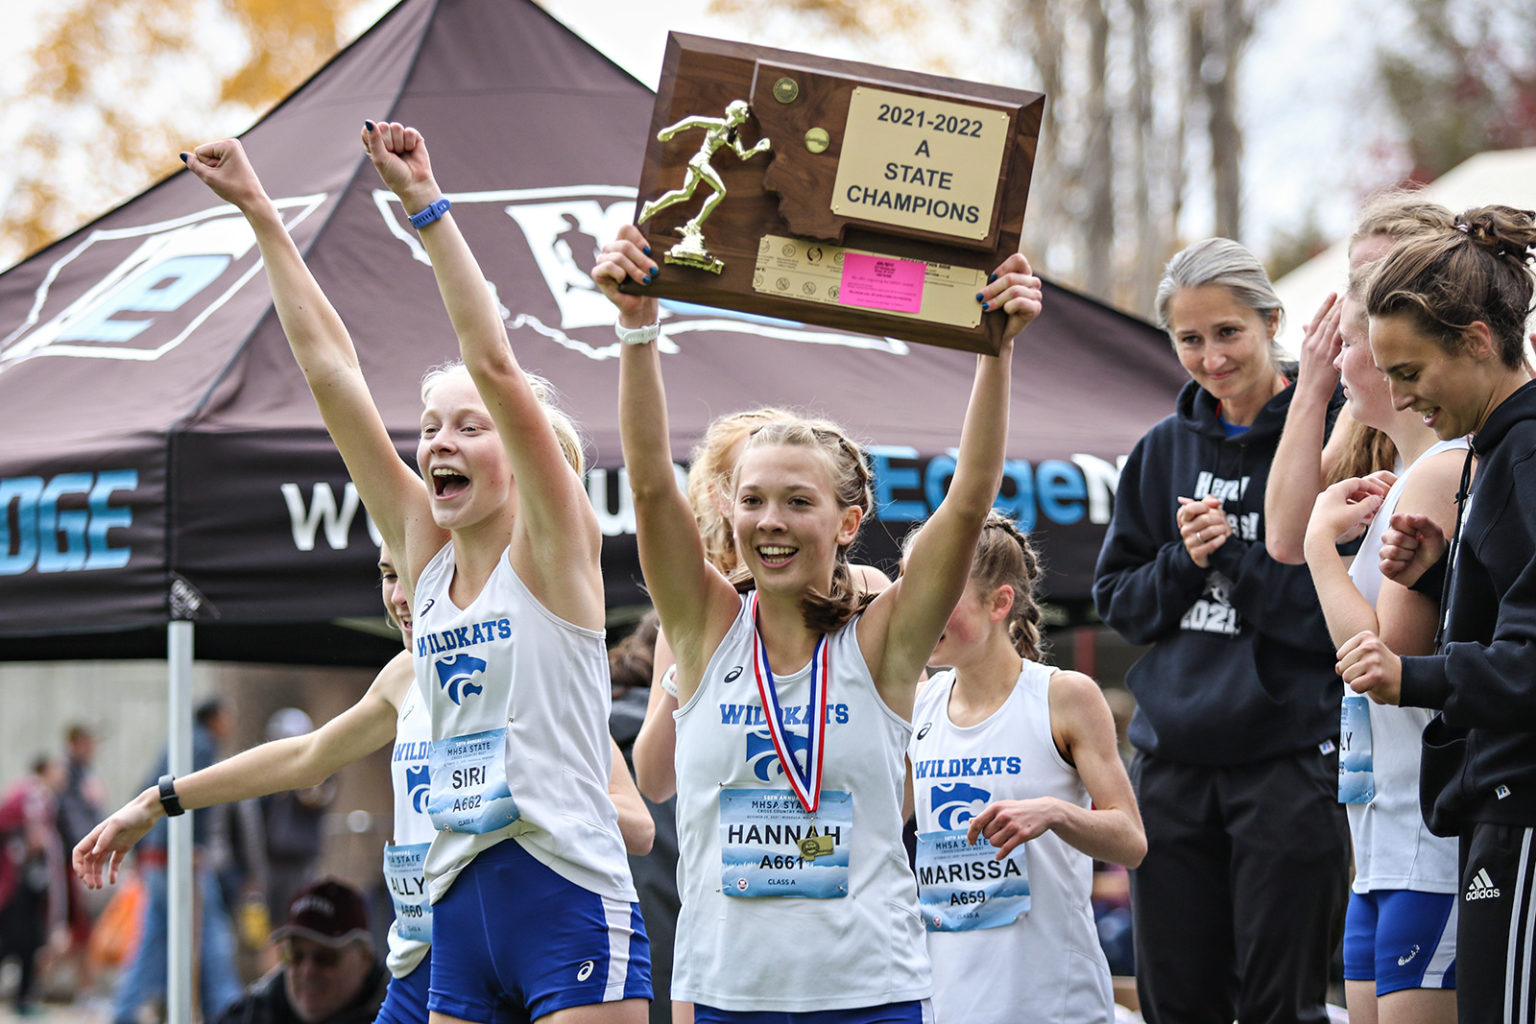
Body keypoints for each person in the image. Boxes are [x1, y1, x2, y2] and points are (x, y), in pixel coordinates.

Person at [176, 126, 647, 1023]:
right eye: (430, 427)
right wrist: (260, 214)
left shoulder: (552, 554)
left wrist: (425, 207)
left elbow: (496, 364)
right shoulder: (425, 566)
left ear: (524, 455)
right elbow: (331, 374)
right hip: (455, 919)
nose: (438, 442)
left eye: (469, 427)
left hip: (567, 904)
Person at [594, 222, 1040, 1020]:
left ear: (846, 522)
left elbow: (970, 497)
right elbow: (655, 489)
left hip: (871, 996)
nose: (772, 520)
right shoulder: (701, 630)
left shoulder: (885, 641)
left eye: (799, 502)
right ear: (729, 514)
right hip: (727, 997)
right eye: (755, 500)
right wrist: (636, 328)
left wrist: (995, 349)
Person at [76, 538, 653, 1024]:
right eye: (386, 576)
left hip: (524, 940)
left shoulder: (534, 674)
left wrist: (528, 793)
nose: (401, 597)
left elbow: (638, 826)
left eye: (414, 576)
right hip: (421, 959)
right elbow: (307, 756)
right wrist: (160, 799)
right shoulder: (403, 676)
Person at [1092, 237, 1351, 1024]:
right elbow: (1121, 604)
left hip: (1287, 761)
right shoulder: (1161, 451)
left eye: (1228, 332)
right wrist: (1183, 561)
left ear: (1271, 323)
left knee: (1283, 1004)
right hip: (1172, 764)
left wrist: (1232, 555)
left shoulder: (1335, 435)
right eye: (1190, 339)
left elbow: (1325, 619)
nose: (1211, 357)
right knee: (1177, 1000)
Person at [1268, 194, 1463, 1024]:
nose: (1342, 354)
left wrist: (1322, 550)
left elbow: (1385, 663)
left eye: (1347, 340)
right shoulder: (1392, 468)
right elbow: (1282, 533)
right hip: (1377, 843)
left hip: (1433, 843)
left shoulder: (1444, 468)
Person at [1338, 205, 1536, 1022]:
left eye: (1412, 371)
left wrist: (1408, 674)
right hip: (1493, 809)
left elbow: (1530, 661)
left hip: (1522, 808)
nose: (1397, 395)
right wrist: (1439, 576)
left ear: (1480, 341)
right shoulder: (1495, 451)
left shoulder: (1524, 453)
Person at [906, 513, 1145, 1024]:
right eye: (913, 589)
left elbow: (1131, 840)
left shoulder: (1064, 695)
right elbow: (878, 832)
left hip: (1053, 1001)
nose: (920, 610)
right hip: (946, 1000)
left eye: (942, 593)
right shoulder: (918, 707)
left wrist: (1055, 812)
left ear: (1000, 602)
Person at [105, 699, 246, 1024]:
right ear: (215, 717)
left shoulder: (176, 741)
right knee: (212, 936)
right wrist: (192, 846)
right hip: (177, 858)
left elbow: (143, 790)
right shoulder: (201, 745)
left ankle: (124, 1011)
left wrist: (144, 849)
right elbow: (192, 800)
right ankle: (229, 1011)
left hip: (157, 858)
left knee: (151, 941)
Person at [214, 878, 388, 1024]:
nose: (307, 970)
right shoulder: (256, 1010)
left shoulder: (401, 1012)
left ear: (365, 957)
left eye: (325, 958)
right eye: (294, 956)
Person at [0, 757, 68, 1016]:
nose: (61, 774)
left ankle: (24, 999)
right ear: (43, 770)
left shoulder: (45, 800)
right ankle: (22, 1000)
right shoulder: (23, 795)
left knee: (29, 943)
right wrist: (25, 838)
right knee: (15, 942)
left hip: (33, 886)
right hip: (16, 886)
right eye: (56, 768)